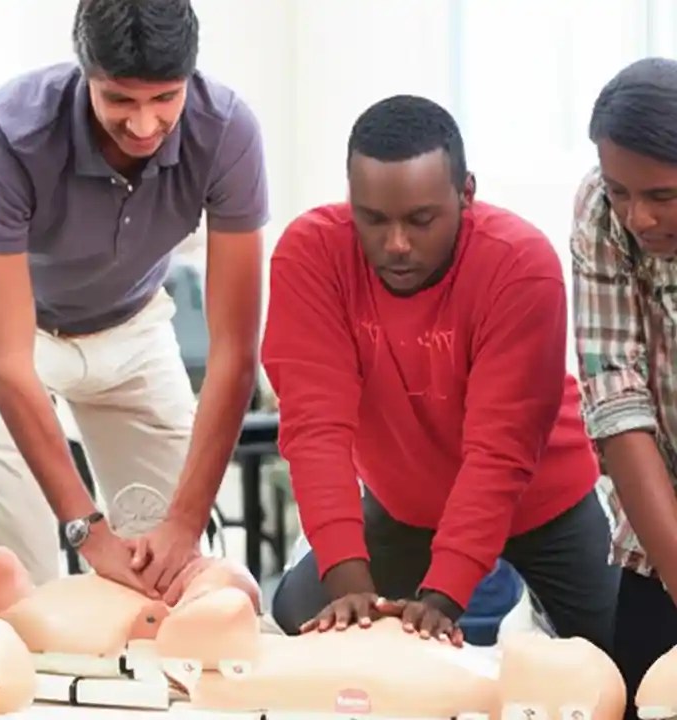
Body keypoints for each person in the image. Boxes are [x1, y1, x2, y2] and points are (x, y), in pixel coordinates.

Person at [262, 94, 617, 650]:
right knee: (301, 620)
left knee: (629, 658)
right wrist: (352, 596)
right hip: (406, 507)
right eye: (373, 220)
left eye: (421, 220)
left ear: (466, 194)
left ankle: (527, 618)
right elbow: (315, 430)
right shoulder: (311, 255)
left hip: (543, 500)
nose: (396, 244)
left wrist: (442, 599)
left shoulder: (520, 264)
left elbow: (500, 453)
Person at [0, 0, 268, 596]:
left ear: (190, 78)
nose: (143, 125)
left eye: (165, 98)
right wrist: (86, 531)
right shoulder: (8, 132)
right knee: (20, 580)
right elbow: (8, 363)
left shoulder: (227, 131)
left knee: (179, 573)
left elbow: (234, 352)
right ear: (85, 73)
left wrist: (184, 522)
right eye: (119, 99)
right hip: (13, 333)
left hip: (130, 326)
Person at [572, 57, 677, 720]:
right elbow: (617, 400)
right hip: (658, 527)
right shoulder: (600, 212)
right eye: (620, 190)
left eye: (662, 196)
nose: (637, 216)